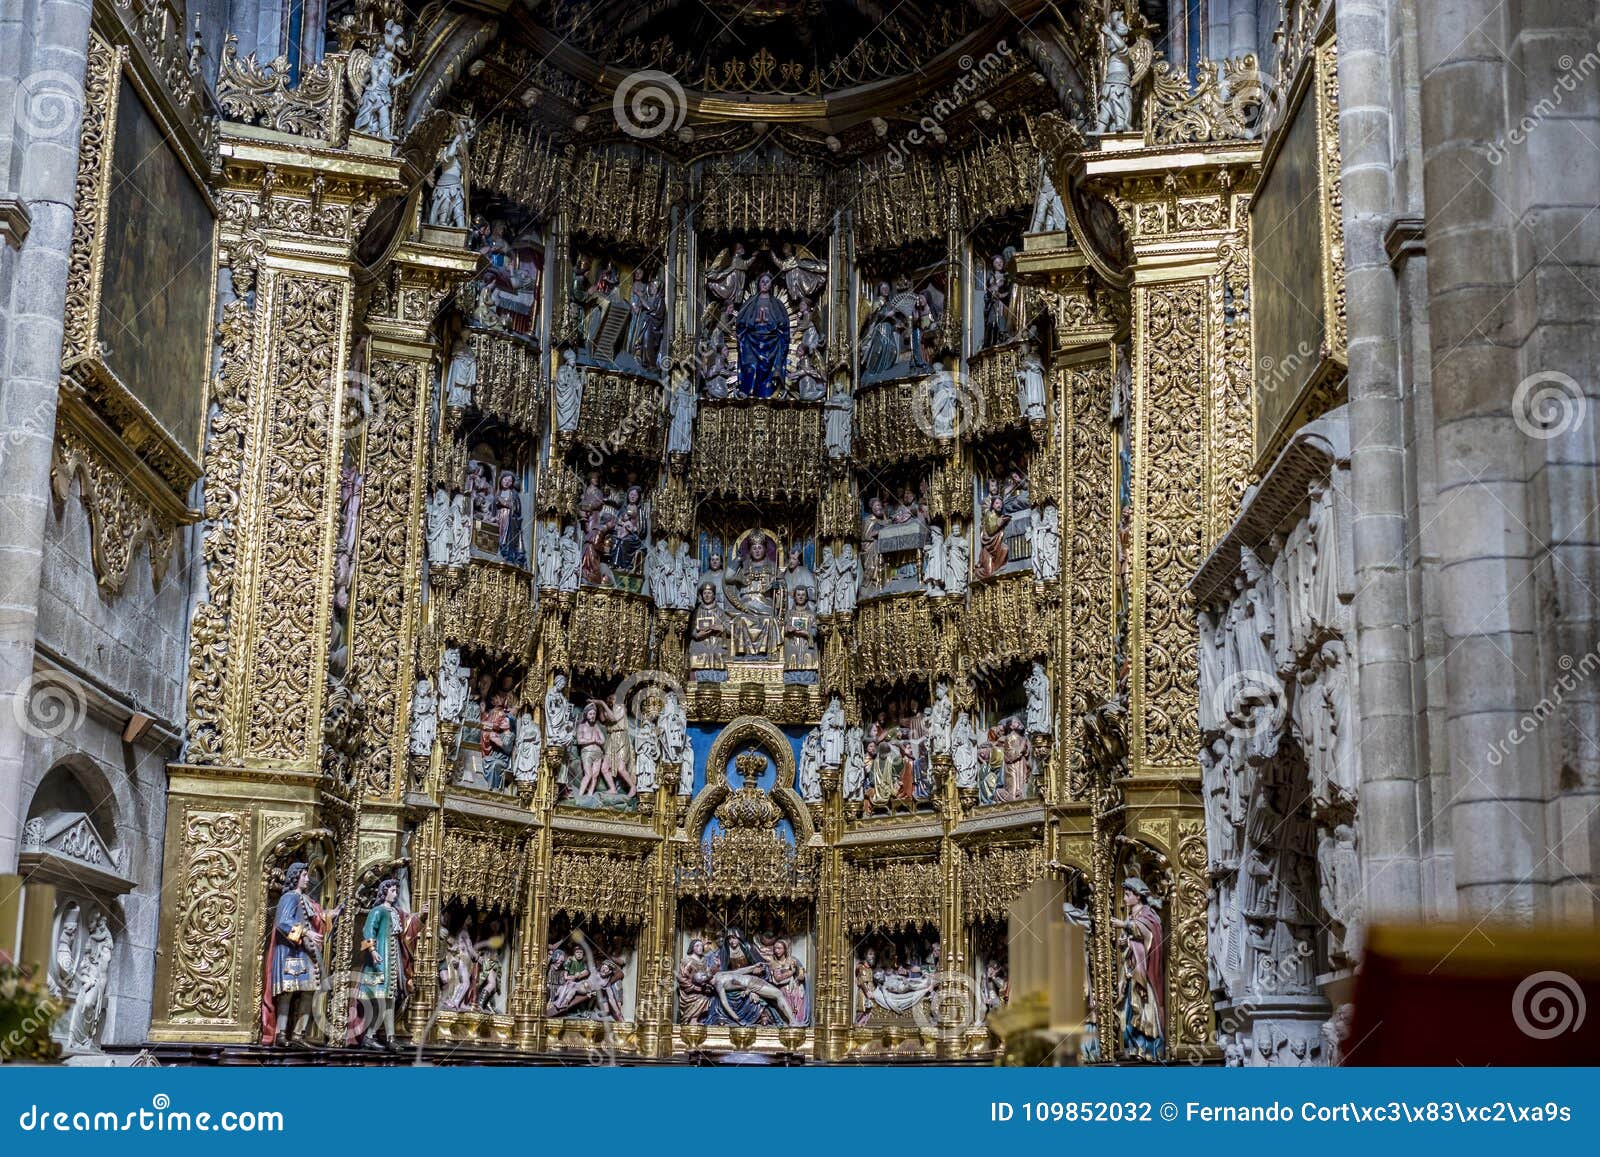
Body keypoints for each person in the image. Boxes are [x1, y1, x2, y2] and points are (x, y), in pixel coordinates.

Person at [261, 862, 342, 1047]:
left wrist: (331, 914)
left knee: (309, 991)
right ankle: (281, 1034)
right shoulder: (289, 897)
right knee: (287, 993)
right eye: (304, 875)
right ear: (295, 876)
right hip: (291, 952)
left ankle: (299, 1034)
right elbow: (282, 922)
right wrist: (305, 932)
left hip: (305, 953)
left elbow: (317, 917)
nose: (307, 879)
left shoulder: (307, 899)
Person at [355, 879, 426, 1049]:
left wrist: (422, 916)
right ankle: (372, 1036)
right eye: (393, 890)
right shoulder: (377, 911)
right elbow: (367, 932)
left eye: (396, 890)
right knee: (381, 999)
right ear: (385, 892)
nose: (395, 893)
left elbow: (409, 924)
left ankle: (389, 1038)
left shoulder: (397, 912)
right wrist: (372, 951)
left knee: (390, 1000)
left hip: (393, 960)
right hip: (380, 959)